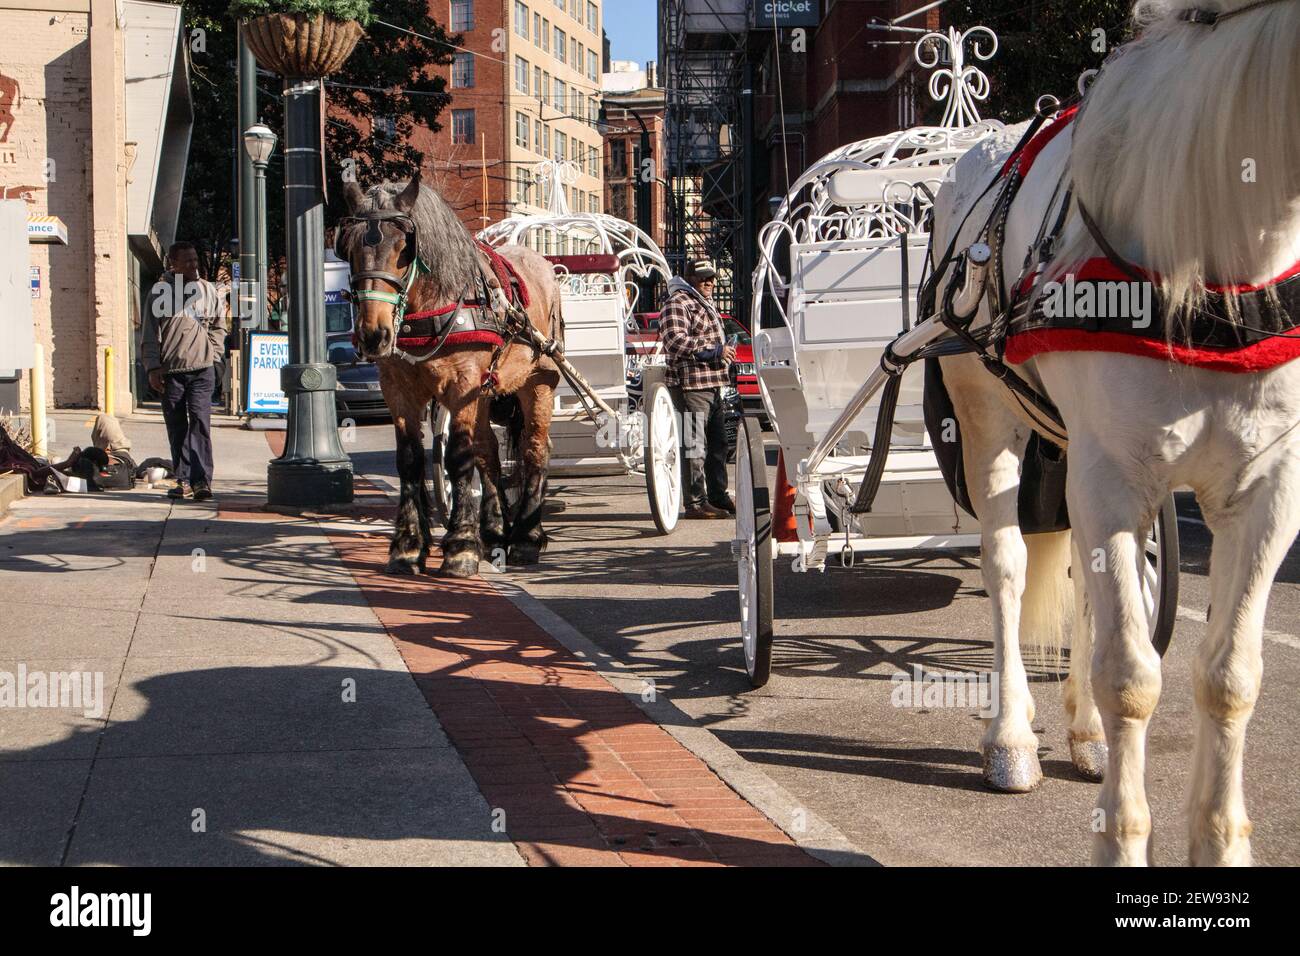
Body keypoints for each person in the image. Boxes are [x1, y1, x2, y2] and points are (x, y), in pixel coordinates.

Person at [141, 241, 226, 502]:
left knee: (200, 423)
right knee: (177, 426)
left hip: (202, 369)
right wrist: (153, 368)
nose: (194, 265)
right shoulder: (159, 293)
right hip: (172, 371)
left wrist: (214, 355)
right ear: (173, 264)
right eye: (187, 261)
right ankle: (184, 479)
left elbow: (219, 326)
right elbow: (150, 335)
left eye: (195, 260)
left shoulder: (207, 291)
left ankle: (202, 482)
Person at [659, 259, 737, 519]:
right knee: (695, 446)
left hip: (712, 383)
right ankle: (695, 502)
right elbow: (674, 341)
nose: (710, 282)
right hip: (691, 384)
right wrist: (715, 350)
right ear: (690, 278)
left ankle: (717, 495)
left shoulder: (701, 301)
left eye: (712, 278)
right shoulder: (678, 302)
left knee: (718, 444)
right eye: (704, 277)